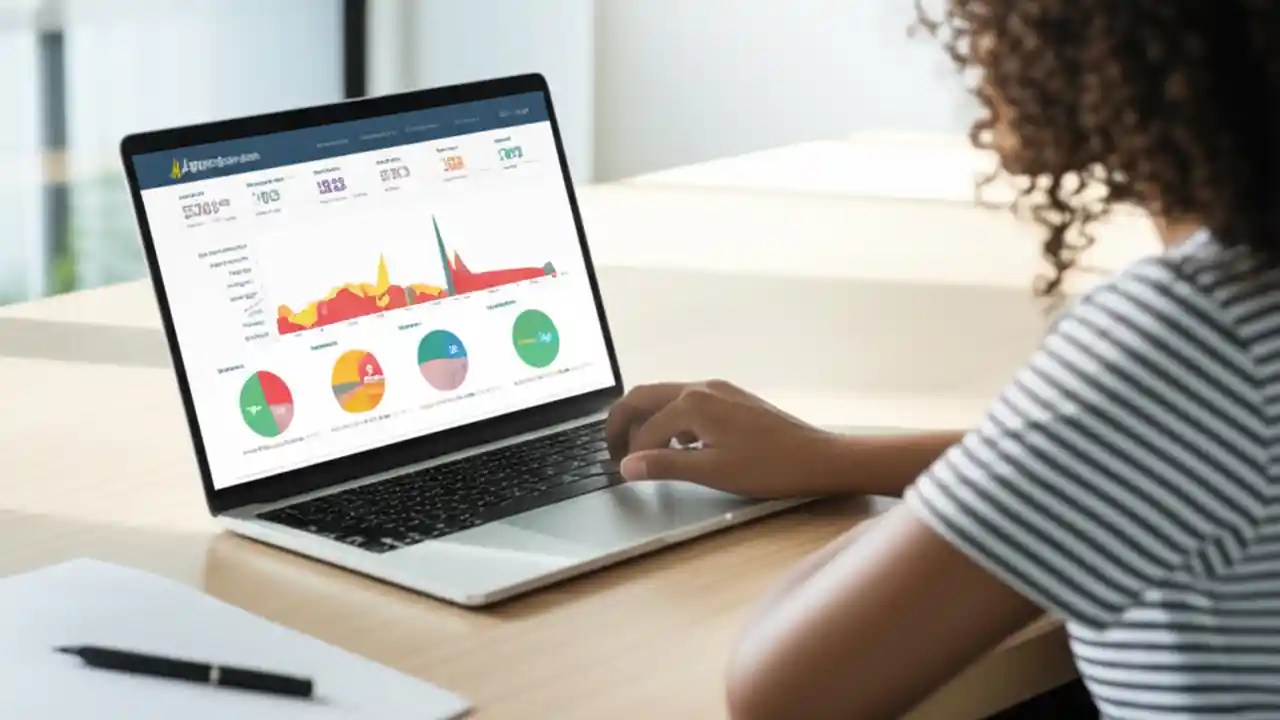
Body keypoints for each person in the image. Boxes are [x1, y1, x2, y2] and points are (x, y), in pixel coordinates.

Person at [605, 2, 1280, 718]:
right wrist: (835, 459)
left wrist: (951, 524)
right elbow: (1129, 454)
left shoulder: (1189, 337)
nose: (975, 38)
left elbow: (783, 694)